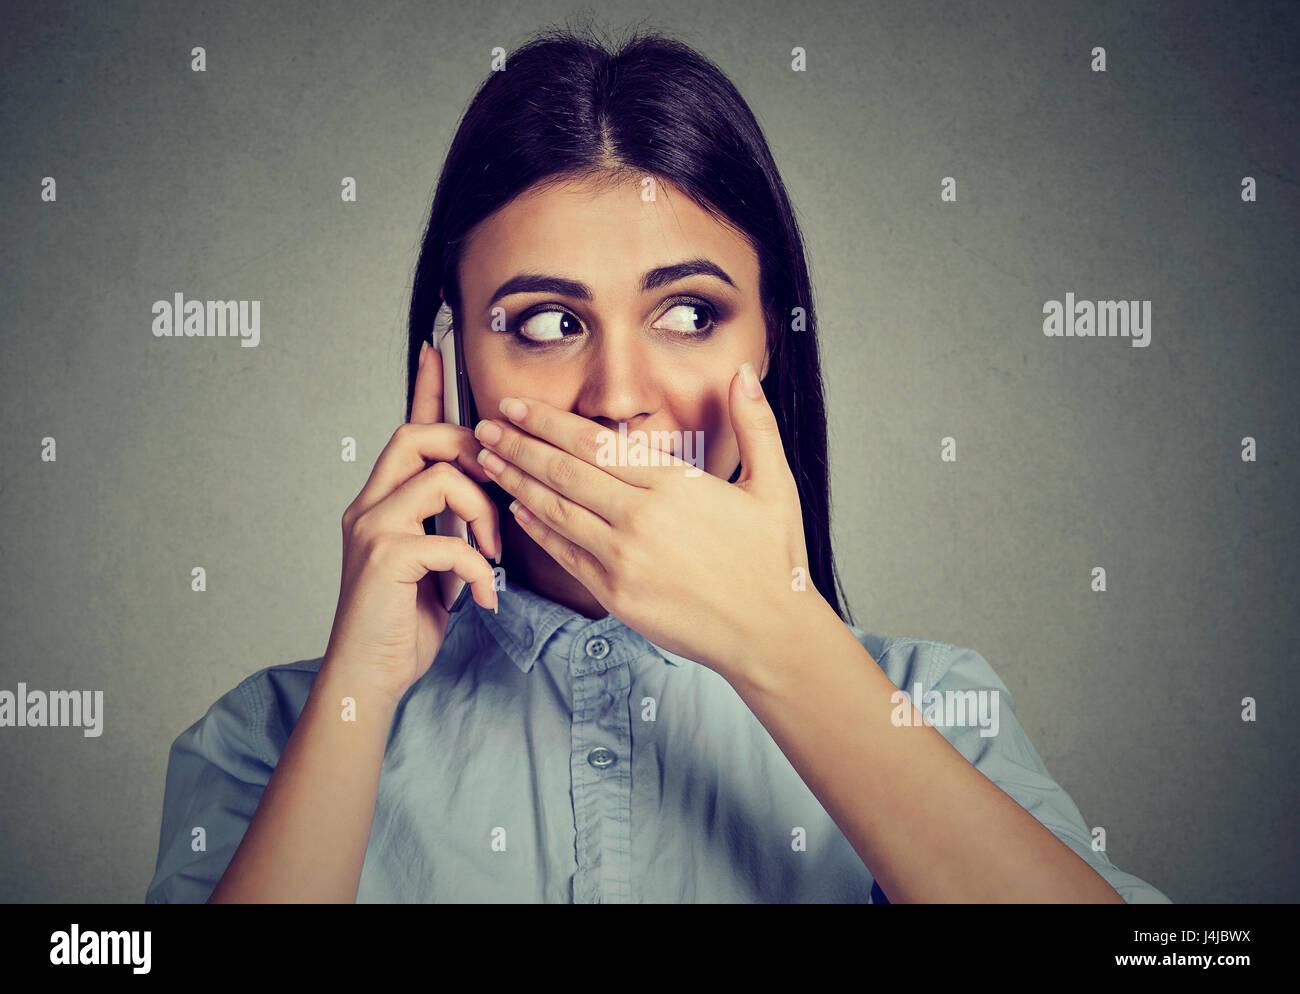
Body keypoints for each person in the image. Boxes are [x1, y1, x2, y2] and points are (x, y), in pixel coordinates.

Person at [145, 24, 1170, 904]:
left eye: (689, 313)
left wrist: (778, 633)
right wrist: (359, 698)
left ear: (768, 341)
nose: (620, 395)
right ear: (451, 356)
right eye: (547, 322)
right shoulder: (273, 736)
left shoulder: (935, 706)